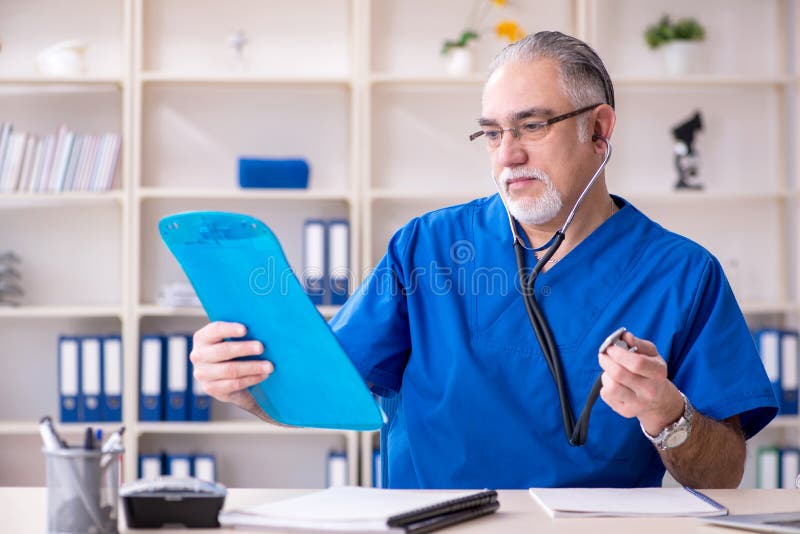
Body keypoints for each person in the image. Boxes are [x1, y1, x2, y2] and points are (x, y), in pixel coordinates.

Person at [190, 31, 777, 489]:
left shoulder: (682, 274)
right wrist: (247, 387)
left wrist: (667, 416)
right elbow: (322, 393)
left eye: (533, 126)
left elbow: (724, 471)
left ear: (599, 131)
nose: (508, 155)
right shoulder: (425, 247)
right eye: (492, 134)